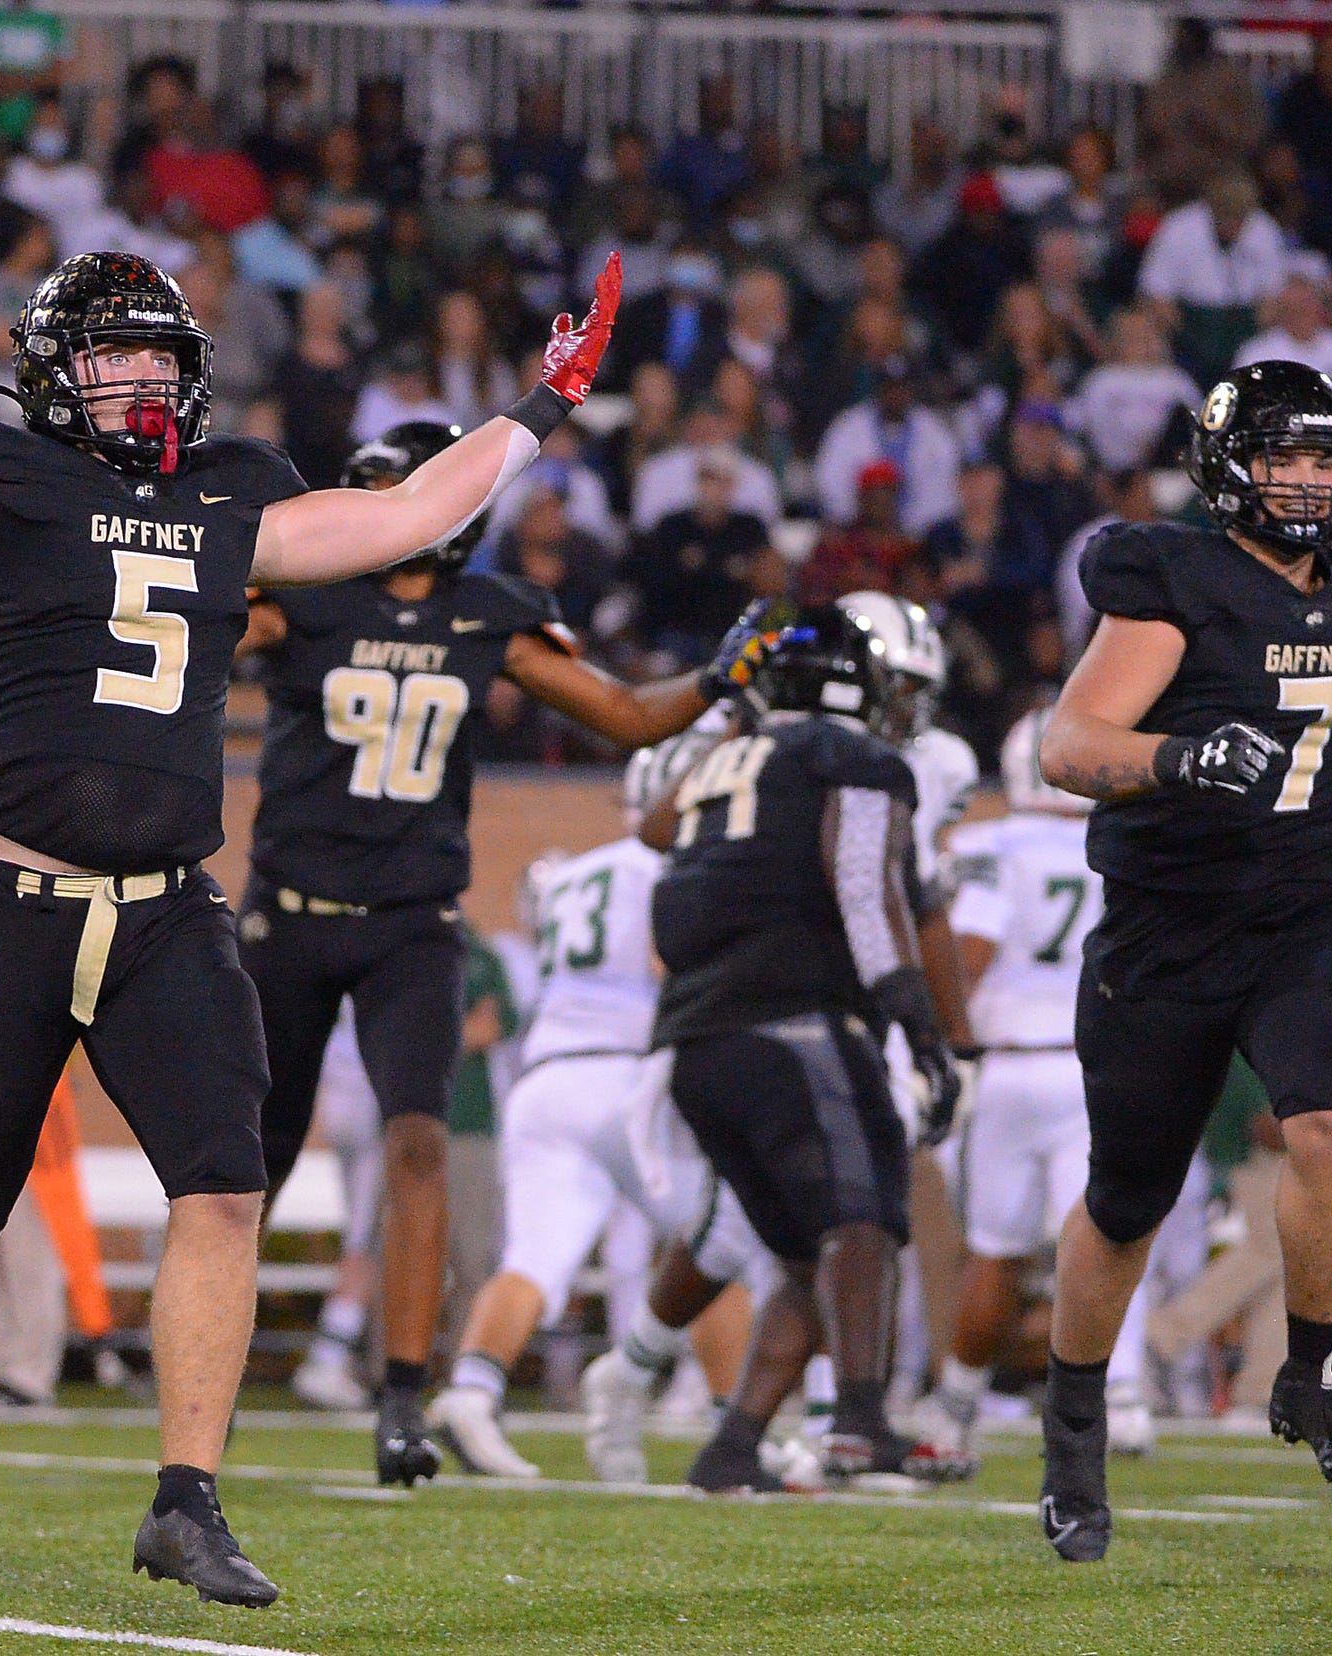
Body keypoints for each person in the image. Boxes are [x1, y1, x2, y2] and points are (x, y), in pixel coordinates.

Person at [0, 210, 627, 1602]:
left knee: (225, 1190)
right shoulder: (1, 479)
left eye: (157, 356)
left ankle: (186, 1497)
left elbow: (413, 512)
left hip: (171, 911)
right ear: (58, 370)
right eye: (116, 355)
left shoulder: (232, 494)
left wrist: (549, 401)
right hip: (9, 901)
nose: (146, 380)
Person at [235, 419, 743, 1486]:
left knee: (417, 1141)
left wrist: (721, 674)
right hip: (289, 911)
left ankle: (404, 1400)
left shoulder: (488, 616)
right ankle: (212, 1378)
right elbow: (196, 634)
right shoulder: (303, 598)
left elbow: (624, 716)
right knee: (246, 1162)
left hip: (411, 921)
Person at [1034, 361, 1332, 1562]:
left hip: (1307, 916)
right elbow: (1066, 743)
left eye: (1323, 460)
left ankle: (1316, 1376)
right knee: (1127, 1197)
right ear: (1226, 468)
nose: (1305, 483)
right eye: (1281, 458)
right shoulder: (1170, 579)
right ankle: (1070, 1427)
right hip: (1164, 921)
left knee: (1326, 1129)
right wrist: (1174, 760)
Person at [636, 605, 967, 1491]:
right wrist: (923, 1028)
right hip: (793, 1021)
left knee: (802, 1250)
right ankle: (860, 1421)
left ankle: (733, 1444)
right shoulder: (849, 756)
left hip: (698, 1038)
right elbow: (864, 887)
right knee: (863, 1220)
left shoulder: (722, 761)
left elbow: (654, 827)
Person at [425, 736, 748, 1478]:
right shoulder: (675, 863)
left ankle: (473, 1392)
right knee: (715, 1244)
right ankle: (739, 1426)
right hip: (630, 1082)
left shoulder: (575, 874)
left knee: (535, 1260)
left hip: (547, 1079)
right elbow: (674, 963)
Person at [910, 704, 1156, 1464]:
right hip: (1096, 1061)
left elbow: (972, 952)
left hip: (1012, 1064)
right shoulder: (1124, 844)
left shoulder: (990, 844)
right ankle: (1125, 1395)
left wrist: (934, 1032)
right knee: (1106, 1235)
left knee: (995, 1248)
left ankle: (956, 1406)